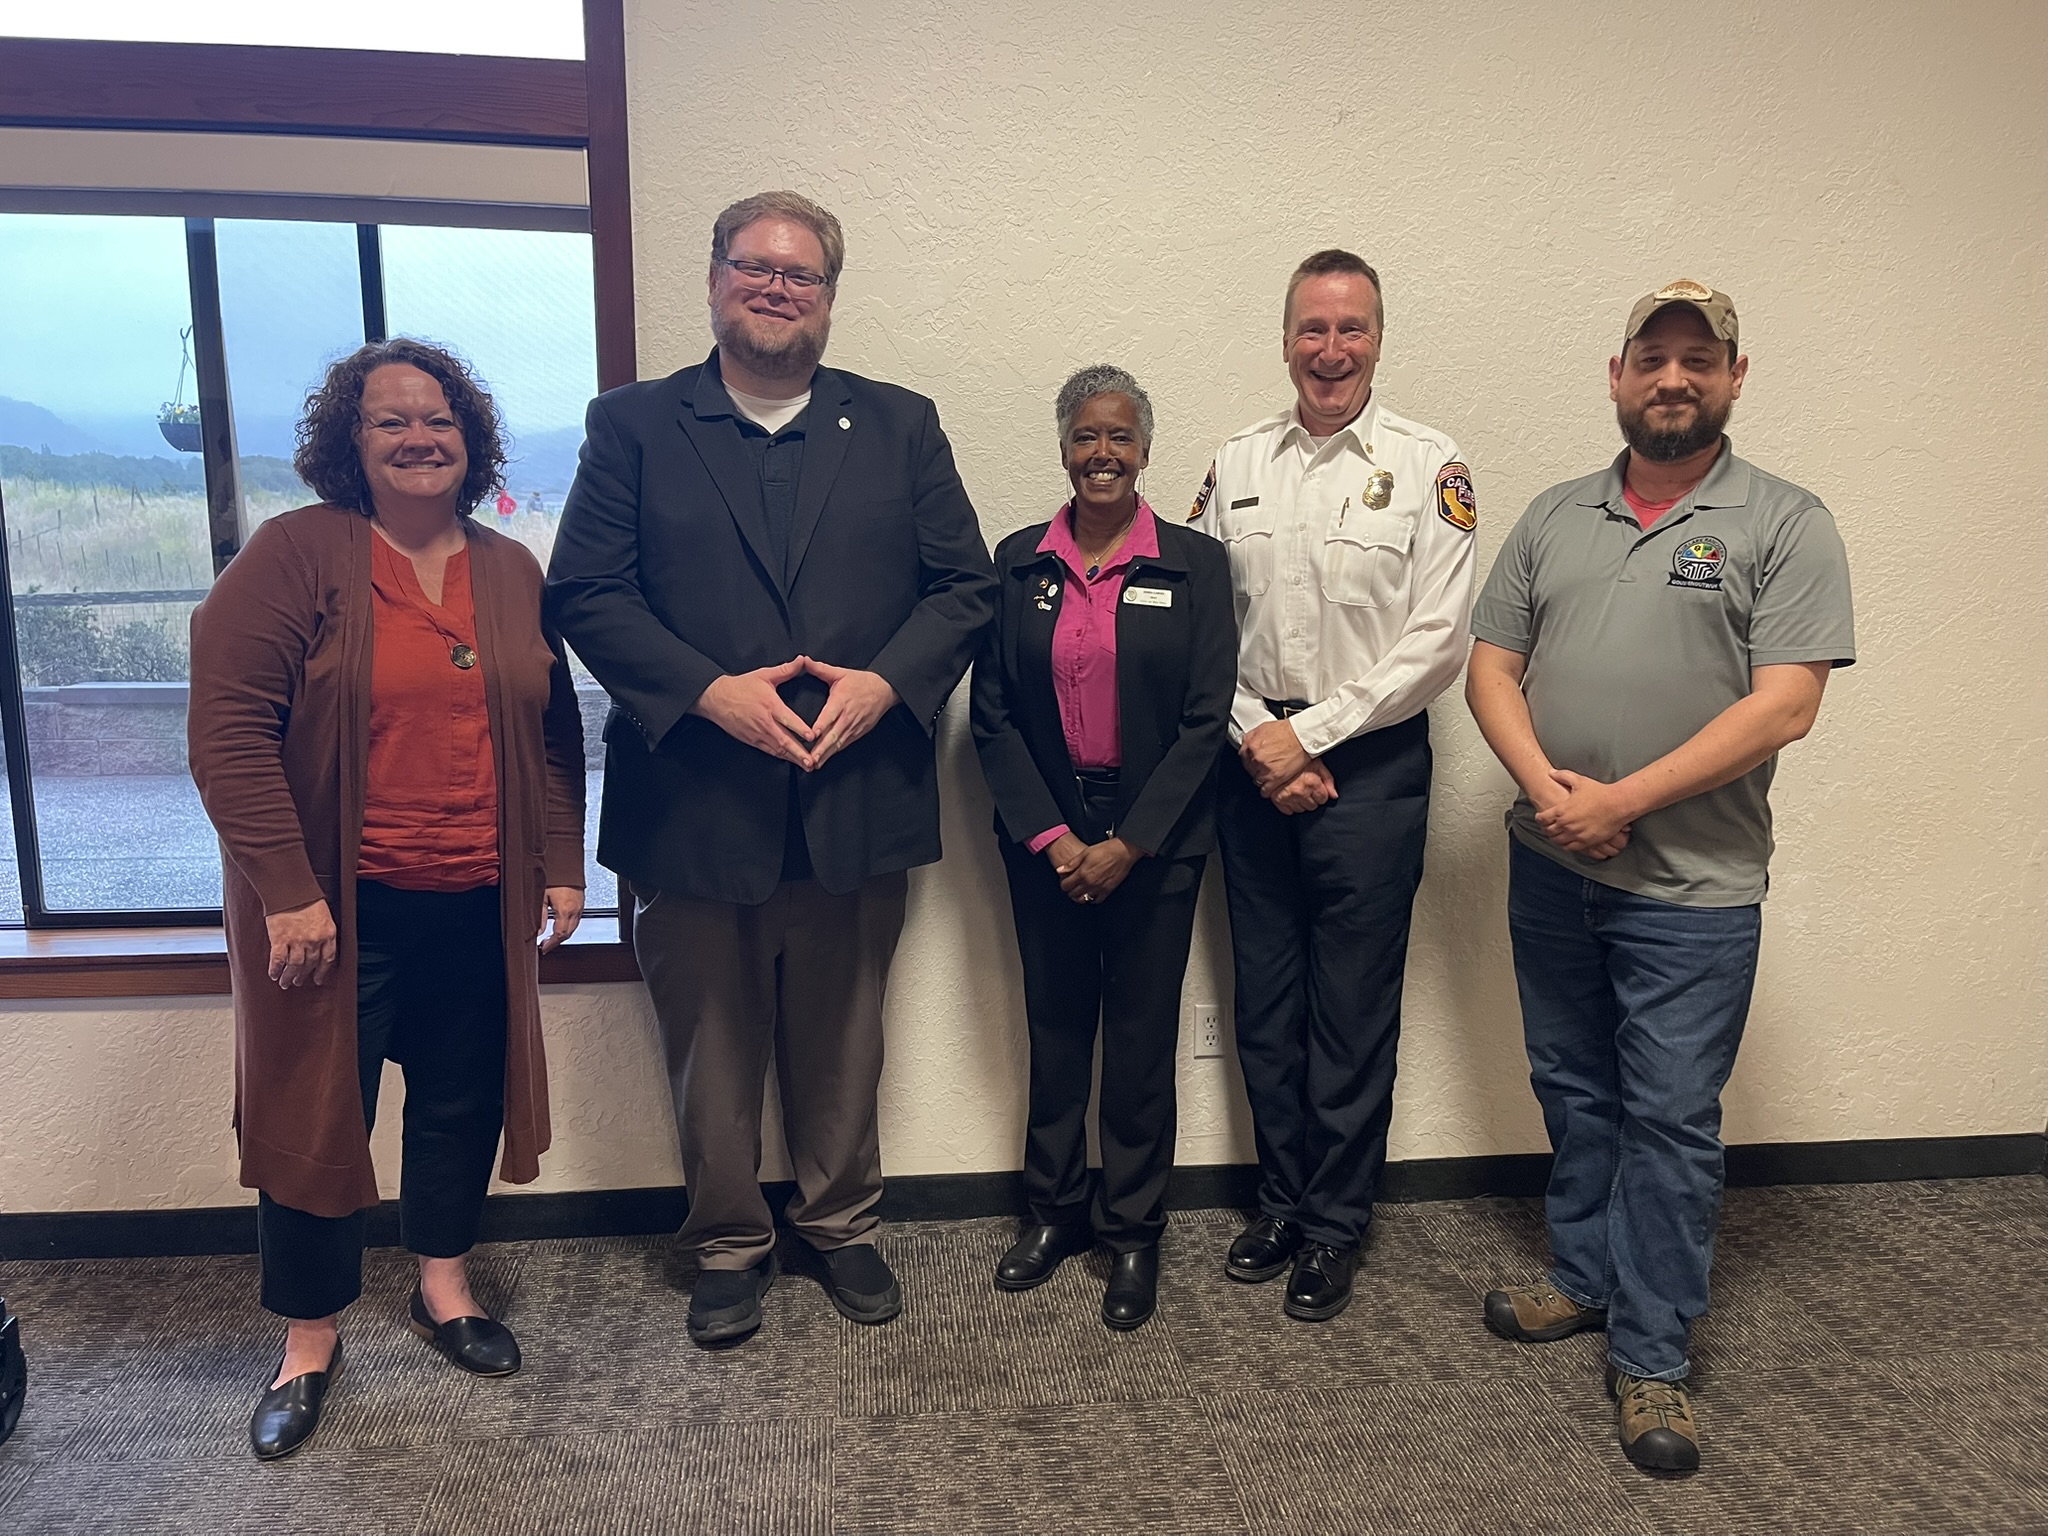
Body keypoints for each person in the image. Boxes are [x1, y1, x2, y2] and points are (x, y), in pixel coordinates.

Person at [546, 190, 996, 1348]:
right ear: (713, 281)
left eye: (800, 274)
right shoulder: (632, 425)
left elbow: (964, 588)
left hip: (855, 794)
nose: (775, 288)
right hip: (692, 800)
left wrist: (884, 685)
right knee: (710, 1044)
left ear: (829, 299)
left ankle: (839, 1225)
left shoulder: (898, 425)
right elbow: (585, 591)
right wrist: (709, 692)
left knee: (845, 1038)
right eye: (754, 267)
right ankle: (728, 1245)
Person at [1466, 280, 1854, 1474]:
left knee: (1670, 1119)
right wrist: (1548, 793)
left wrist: (1620, 802)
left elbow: (1784, 705)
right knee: (1572, 1088)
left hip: (1692, 890)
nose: (1671, 378)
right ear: (1616, 375)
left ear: (1734, 377)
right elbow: (1490, 669)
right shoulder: (1553, 514)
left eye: (1697, 358)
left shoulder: (1782, 521)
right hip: (1550, 866)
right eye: (1651, 357)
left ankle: (1650, 1354)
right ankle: (1584, 1277)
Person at [188, 338, 587, 1461]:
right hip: (334, 914)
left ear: (471, 440)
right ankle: (308, 1341)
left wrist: (561, 862)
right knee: (318, 1117)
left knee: (461, 1100)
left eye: (439, 419)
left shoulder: (510, 570)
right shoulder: (294, 556)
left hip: (477, 903)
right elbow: (226, 734)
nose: (419, 438)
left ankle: (442, 1288)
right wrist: (287, 891)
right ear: (349, 444)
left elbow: (555, 732)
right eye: (390, 421)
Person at [1191, 249, 1476, 1322]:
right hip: (1249, 759)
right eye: (1311, 328)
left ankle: (1333, 1224)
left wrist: (1308, 736)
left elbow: (1437, 640)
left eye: (1350, 328)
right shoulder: (1235, 463)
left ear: (1377, 340)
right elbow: (1202, 629)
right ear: (1284, 341)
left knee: (1351, 1008)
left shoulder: (1430, 464)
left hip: (1371, 765)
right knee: (1265, 1003)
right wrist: (1261, 737)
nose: (1330, 349)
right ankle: (1279, 1202)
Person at [971, 366, 1236, 1330]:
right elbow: (992, 716)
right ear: (1063, 448)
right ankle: (1053, 1212)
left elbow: (1206, 720)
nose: (1102, 453)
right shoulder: (1018, 564)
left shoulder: (1196, 565)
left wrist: (1130, 843)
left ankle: (1132, 1232)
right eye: (1086, 436)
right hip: (1045, 836)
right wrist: (1053, 838)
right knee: (1053, 1030)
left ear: (1146, 450)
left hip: (1154, 842)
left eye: (1120, 436)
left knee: (1137, 1040)